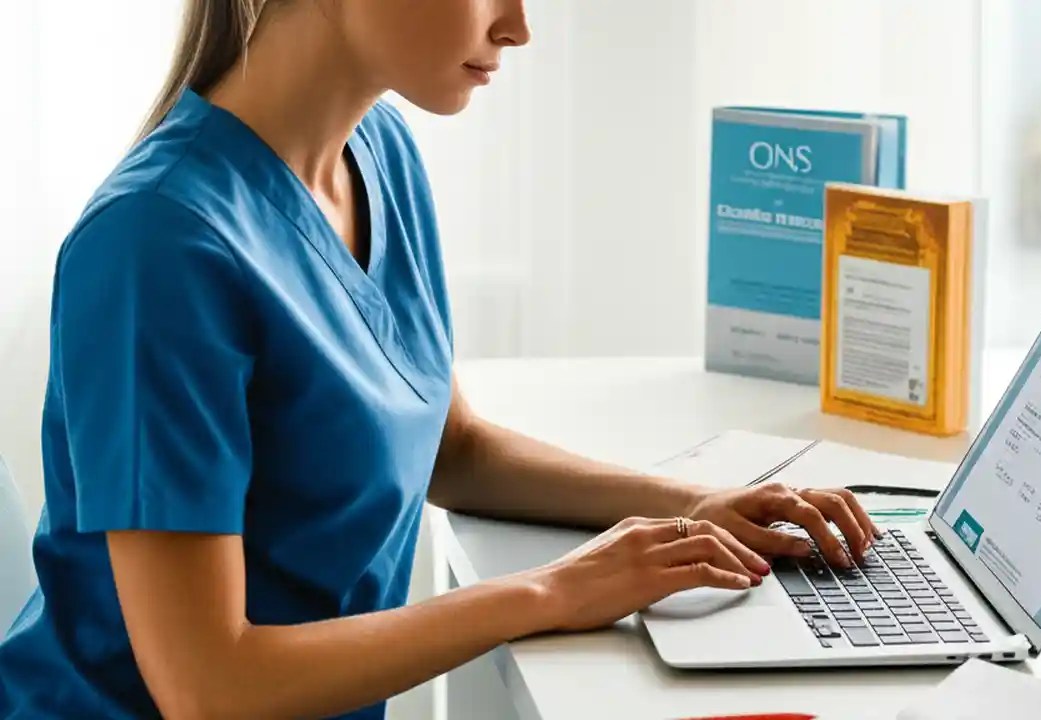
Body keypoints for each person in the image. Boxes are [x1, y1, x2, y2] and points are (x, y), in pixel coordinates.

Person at [0, 1, 878, 717]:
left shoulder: (377, 152)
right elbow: (209, 688)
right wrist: (552, 593)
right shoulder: (157, 246)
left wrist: (692, 507)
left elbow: (450, 450)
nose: (517, 26)